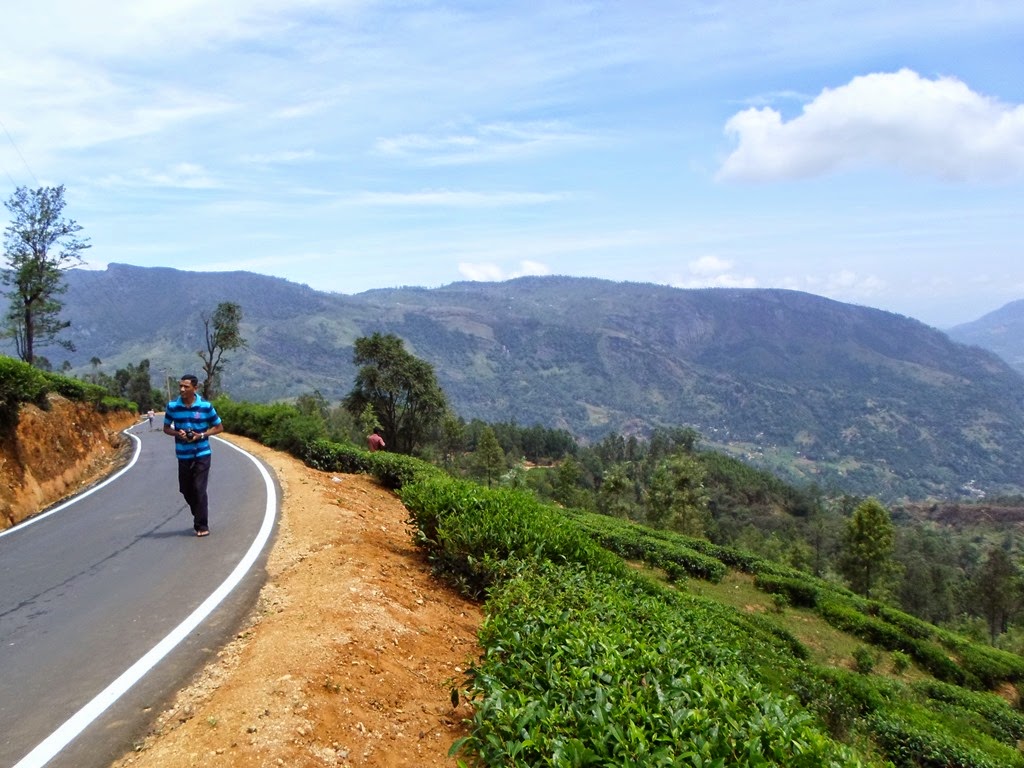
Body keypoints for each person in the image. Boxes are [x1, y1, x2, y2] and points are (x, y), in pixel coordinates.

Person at [163, 374, 224, 536]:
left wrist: (201, 435)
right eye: (181, 386)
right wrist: (178, 433)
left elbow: (219, 427)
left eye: (186, 386)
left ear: (195, 388)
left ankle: (202, 525)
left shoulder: (205, 406)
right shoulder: (173, 407)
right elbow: (166, 428)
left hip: (202, 453)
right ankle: (198, 511)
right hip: (183, 455)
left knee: (199, 488)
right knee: (185, 489)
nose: (182, 389)